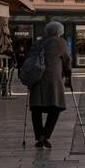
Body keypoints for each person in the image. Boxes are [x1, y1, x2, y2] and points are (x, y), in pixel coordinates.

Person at [29, 21, 72, 149]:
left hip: (37, 78)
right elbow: (67, 60)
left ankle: (39, 136)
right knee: (55, 107)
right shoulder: (61, 42)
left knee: (36, 109)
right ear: (59, 31)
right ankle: (45, 135)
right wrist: (68, 75)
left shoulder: (38, 42)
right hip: (53, 80)